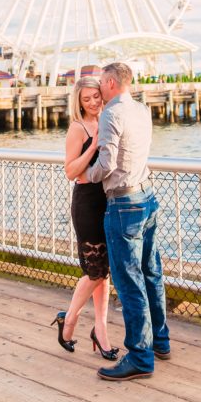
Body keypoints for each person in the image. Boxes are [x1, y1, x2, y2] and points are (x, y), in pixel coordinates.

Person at [83, 62, 170, 381]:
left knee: (128, 279)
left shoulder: (110, 114)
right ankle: (160, 341)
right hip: (147, 196)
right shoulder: (142, 110)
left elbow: (106, 164)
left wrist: (84, 175)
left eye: (101, 85)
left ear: (109, 82)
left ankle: (140, 355)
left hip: (123, 203)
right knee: (151, 272)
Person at [51, 76, 119, 361]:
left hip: (110, 199)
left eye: (96, 96)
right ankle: (69, 319)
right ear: (78, 102)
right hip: (87, 202)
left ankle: (100, 331)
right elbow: (70, 171)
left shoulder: (108, 121)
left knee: (104, 272)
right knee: (95, 270)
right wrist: (92, 147)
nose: (93, 103)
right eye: (86, 99)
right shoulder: (77, 128)